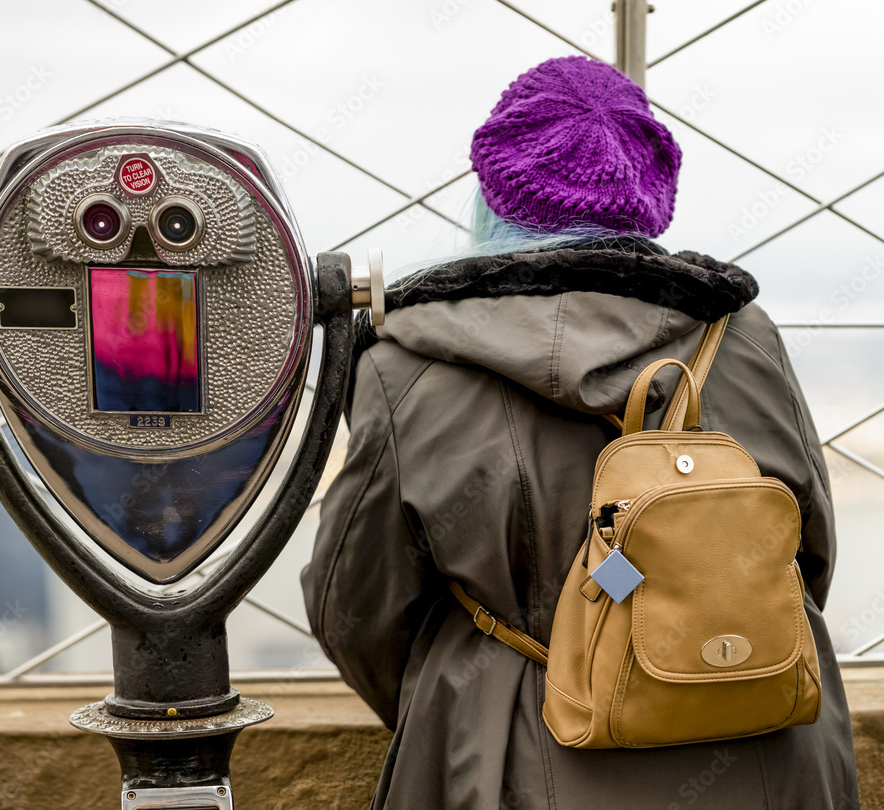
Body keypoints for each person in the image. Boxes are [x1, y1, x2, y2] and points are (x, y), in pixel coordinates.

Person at [301, 55, 859, 809]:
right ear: (646, 197)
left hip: (506, 754)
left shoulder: (405, 367)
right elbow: (805, 551)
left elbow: (355, 602)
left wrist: (468, 687)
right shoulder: (745, 337)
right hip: (772, 749)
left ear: (492, 188)